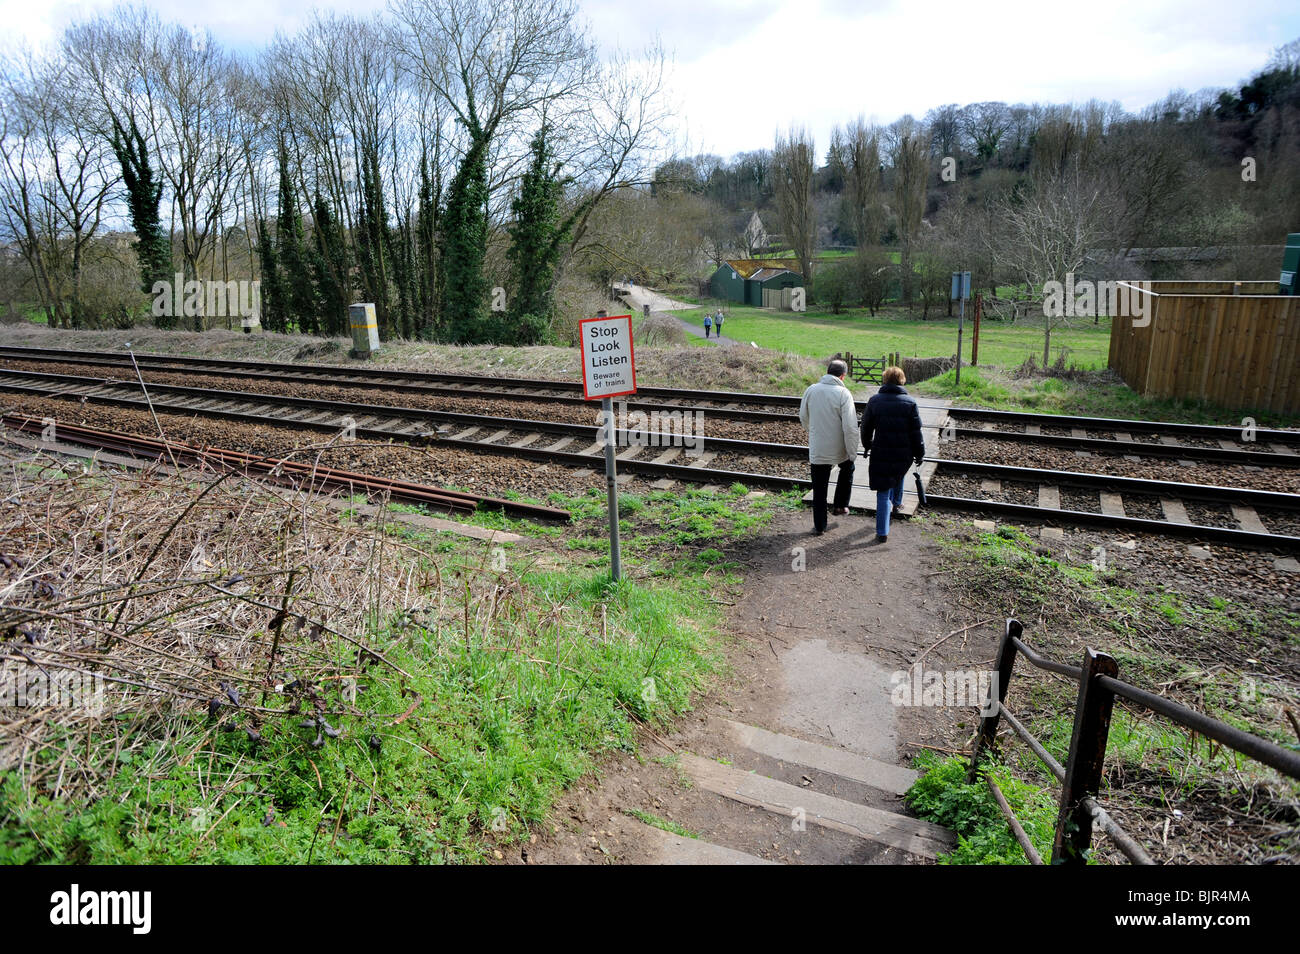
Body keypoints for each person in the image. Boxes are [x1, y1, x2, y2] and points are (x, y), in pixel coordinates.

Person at [860, 366, 925, 544]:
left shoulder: (875, 401)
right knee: (898, 473)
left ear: (885, 380)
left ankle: (882, 531)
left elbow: (865, 427)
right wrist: (920, 453)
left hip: (881, 450)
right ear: (902, 380)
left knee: (882, 490)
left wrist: (867, 445)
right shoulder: (910, 402)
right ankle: (896, 503)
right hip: (904, 452)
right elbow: (916, 432)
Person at [798, 359, 860, 535]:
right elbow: (850, 427)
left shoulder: (811, 389)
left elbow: (803, 416)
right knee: (848, 467)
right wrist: (852, 451)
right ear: (843, 376)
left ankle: (820, 525)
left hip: (818, 447)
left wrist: (814, 431)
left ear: (827, 371)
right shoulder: (843, 393)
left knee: (819, 486)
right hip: (839, 448)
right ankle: (840, 506)